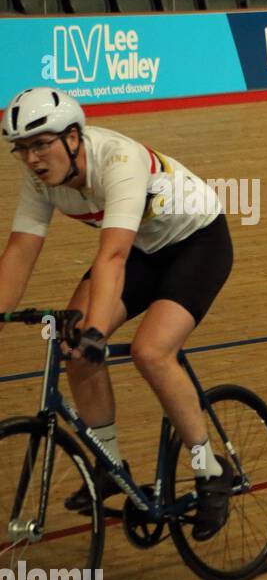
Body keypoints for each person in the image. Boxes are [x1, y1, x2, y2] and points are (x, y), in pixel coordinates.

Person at [0, 87, 233, 539]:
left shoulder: (118, 162)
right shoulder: (40, 182)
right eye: (22, 149)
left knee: (151, 351)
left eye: (41, 145)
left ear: (72, 137)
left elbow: (112, 258)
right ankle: (108, 466)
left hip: (197, 245)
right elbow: (19, 255)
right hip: (143, 249)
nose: (32, 159)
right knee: (71, 344)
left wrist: (97, 332)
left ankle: (210, 467)